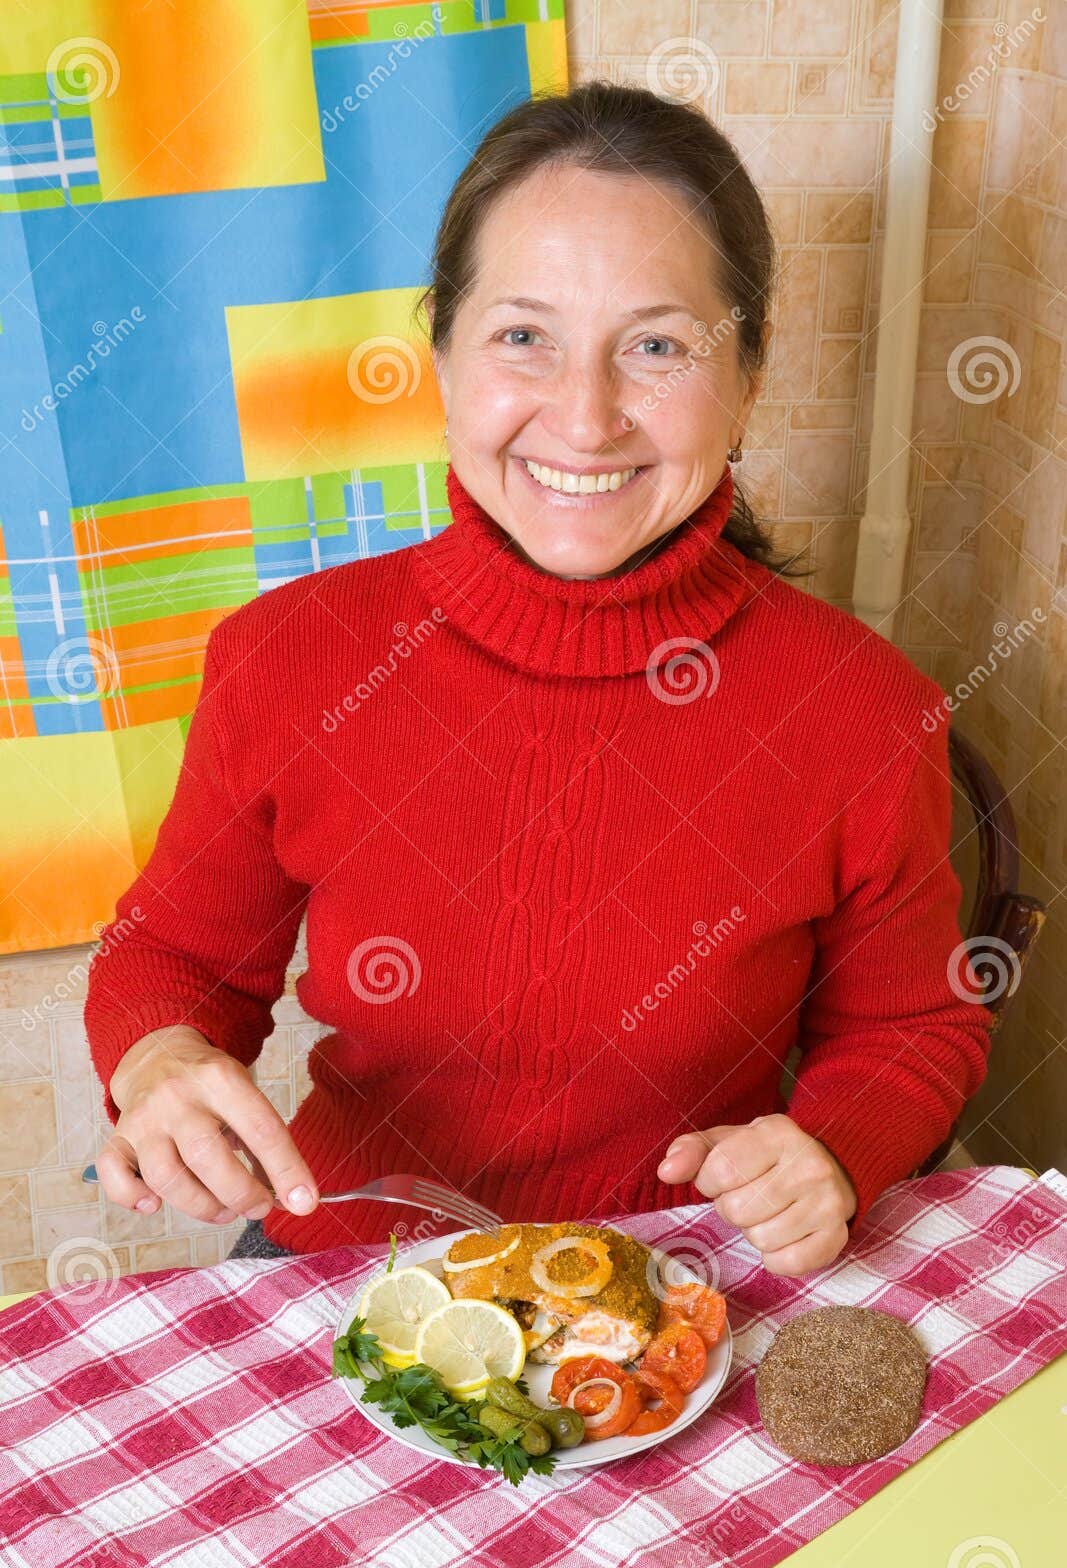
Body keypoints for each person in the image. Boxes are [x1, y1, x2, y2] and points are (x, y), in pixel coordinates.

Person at [84, 82, 991, 1277]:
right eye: (524, 336)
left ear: (748, 378)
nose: (585, 415)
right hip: (351, 1271)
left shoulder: (860, 709)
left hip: (677, 1287)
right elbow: (173, 959)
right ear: (442, 359)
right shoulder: (288, 657)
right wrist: (156, 1055)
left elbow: (908, 1024)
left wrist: (830, 1146)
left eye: (657, 346)